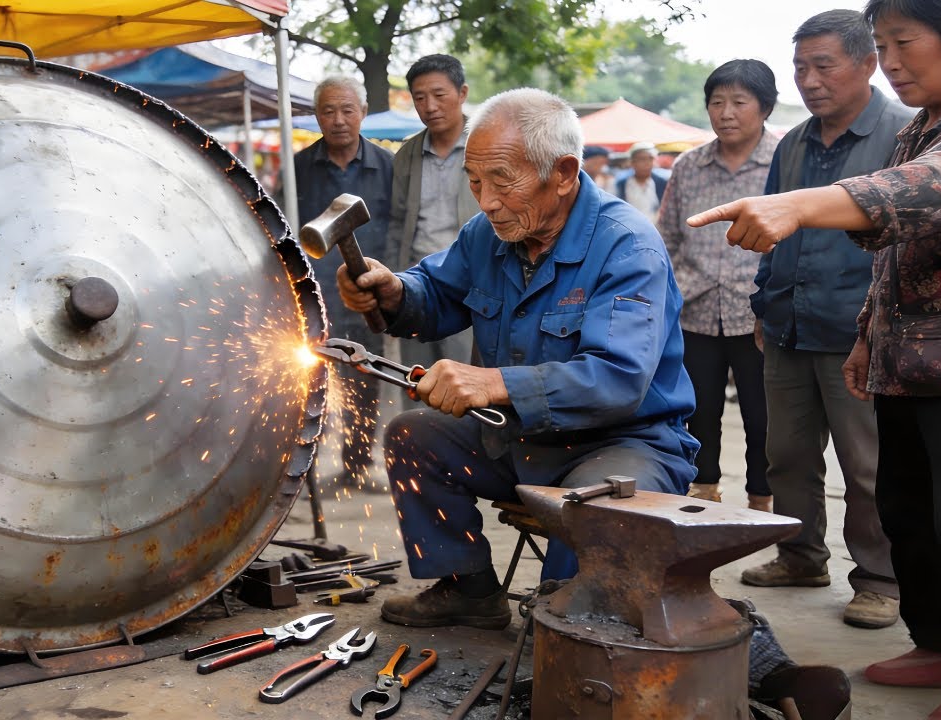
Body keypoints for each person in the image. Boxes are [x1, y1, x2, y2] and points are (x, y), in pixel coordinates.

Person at [336, 87, 698, 630]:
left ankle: (569, 625)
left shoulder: (627, 246)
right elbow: (434, 294)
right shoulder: (488, 235)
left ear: (564, 172)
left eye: (503, 181)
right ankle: (468, 587)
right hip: (520, 441)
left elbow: (618, 378)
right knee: (413, 434)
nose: (486, 201)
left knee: (588, 509)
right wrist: (391, 292)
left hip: (624, 445)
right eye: (475, 182)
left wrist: (493, 383)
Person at [688, 1, 941, 714]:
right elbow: (893, 255)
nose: (894, 61)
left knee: (908, 495)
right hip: (887, 347)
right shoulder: (893, 129)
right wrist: (868, 328)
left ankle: (881, 586)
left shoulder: (906, 136)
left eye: (902, 44)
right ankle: (935, 642)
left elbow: (926, 194)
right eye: (886, 44)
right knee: (904, 501)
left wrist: (809, 205)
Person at [742, 8, 910, 631]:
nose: (809, 80)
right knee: (786, 454)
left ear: (867, 64)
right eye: (800, 67)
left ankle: (879, 579)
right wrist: (765, 301)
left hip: (860, 333)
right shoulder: (793, 141)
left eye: (823, 65)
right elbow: (773, 231)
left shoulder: (902, 134)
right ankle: (800, 556)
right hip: (789, 324)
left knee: (866, 466)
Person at [656, 60, 778, 511]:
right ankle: (701, 492)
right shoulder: (689, 166)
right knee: (695, 409)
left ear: (764, 108)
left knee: (762, 416)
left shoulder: (783, 159)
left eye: (738, 102)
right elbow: (666, 234)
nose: (725, 112)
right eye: (716, 102)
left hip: (760, 312)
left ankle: (761, 499)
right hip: (695, 310)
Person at [294, 76, 394, 490]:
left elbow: (399, 225)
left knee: (363, 379)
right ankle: (304, 472)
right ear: (316, 116)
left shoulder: (387, 166)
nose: (338, 120)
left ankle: (355, 467)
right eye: (328, 111)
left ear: (363, 113)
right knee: (307, 380)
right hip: (313, 295)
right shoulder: (299, 167)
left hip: (366, 293)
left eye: (347, 110)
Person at [386, 54, 479, 396]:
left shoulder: (484, 145)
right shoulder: (408, 155)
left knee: (465, 382)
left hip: (470, 284)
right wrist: (398, 283)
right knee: (418, 381)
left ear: (462, 93)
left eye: (440, 95)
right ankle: (415, 446)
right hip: (420, 284)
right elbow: (397, 223)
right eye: (420, 97)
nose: (430, 106)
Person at [615, 141, 668, 219]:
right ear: (632, 162)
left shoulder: (661, 182)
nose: (647, 163)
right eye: (642, 159)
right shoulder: (623, 183)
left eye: (650, 159)